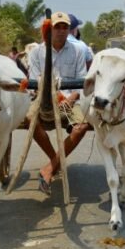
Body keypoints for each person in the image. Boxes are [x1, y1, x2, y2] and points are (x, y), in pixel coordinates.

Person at [28, 11, 90, 196]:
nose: (62, 31)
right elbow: (33, 82)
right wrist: (50, 98)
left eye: (65, 27)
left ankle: (49, 167)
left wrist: (70, 100)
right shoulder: (36, 52)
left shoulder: (78, 51)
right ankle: (56, 161)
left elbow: (83, 82)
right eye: (57, 27)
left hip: (69, 101)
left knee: (82, 126)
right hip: (43, 100)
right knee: (29, 121)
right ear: (48, 29)